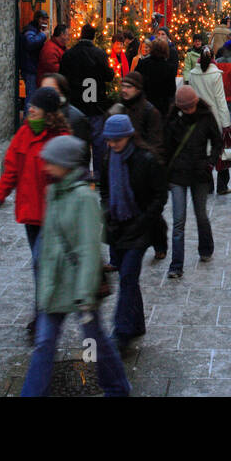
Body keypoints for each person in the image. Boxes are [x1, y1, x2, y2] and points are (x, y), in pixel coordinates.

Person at [19, 134, 131, 397]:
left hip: (81, 289)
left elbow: (89, 249)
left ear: (65, 164)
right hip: (55, 285)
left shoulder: (83, 198)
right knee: (44, 343)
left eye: (51, 162)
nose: (46, 166)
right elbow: (48, 244)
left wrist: (85, 297)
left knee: (97, 342)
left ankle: (118, 388)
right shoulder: (54, 191)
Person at [0, 86, 70, 339]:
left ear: (48, 113)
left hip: (54, 215)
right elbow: (10, 172)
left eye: (36, 107)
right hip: (31, 214)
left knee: (40, 263)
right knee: (40, 265)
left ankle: (42, 318)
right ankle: (45, 311)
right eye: (30, 105)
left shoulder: (60, 138)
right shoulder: (23, 135)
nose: (30, 109)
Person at [95, 114, 167, 354]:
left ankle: (121, 332)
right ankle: (136, 324)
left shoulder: (146, 160)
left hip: (140, 229)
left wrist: (145, 220)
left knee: (126, 276)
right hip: (117, 226)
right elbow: (104, 188)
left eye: (116, 140)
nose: (112, 144)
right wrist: (107, 209)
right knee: (129, 279)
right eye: (109, 140)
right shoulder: (108, 159)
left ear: (128, 136)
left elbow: (159, 195)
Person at [162, 85, 220, 279]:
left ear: (196, 102)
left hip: (199, 174)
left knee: (201, 214)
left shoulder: (205, 116)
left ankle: (206, 249)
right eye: (184, 108)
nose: (188, 111)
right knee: (178, 221)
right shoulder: (172, 120)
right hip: (178, 175)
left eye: (190, 107)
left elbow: (217, 141)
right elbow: (166, 148)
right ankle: (176, 264)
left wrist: (210, 163)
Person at [113, 70, 167, 261]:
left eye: (129, 87)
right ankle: (116, 255)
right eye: (123, 86)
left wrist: (152, 163)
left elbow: (156, 141)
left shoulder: (149, 111)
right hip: (122, 164)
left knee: (149, 210)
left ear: (138, 89)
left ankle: (160, 243)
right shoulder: (119, 108)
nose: (124, 90)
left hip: (143, 166)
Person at [186, 47, 231, 195]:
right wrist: (226, 122)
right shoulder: (216, 75)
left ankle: (208, 184)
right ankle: (222, 185)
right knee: (220, 151)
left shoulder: (193, 74)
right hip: (215, 117)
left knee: (204, 151)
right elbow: (220, 100)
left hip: (198, 117)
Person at [60, 23, 115, 119]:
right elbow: (109, 76)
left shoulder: (69, 54)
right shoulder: (100, 54)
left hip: (75, 102)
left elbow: (62, 76)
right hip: (95, 102)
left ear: (81, 35)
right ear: (93, 37)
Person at [136, 38, 178, 118]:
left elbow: (136, 81)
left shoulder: (143, 63)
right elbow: (171, 90)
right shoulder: (169, 68)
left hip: (144, 103)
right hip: (161, 107)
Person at [18, 10, 49, 97]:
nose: (45, 22)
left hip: (32, 67)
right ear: (37, 19)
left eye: (46, 20)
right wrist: (43, 35)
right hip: (30, 67)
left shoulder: (36, 30)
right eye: (42, 19)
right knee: (31, 96)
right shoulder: (30, 30)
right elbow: (30, 43)